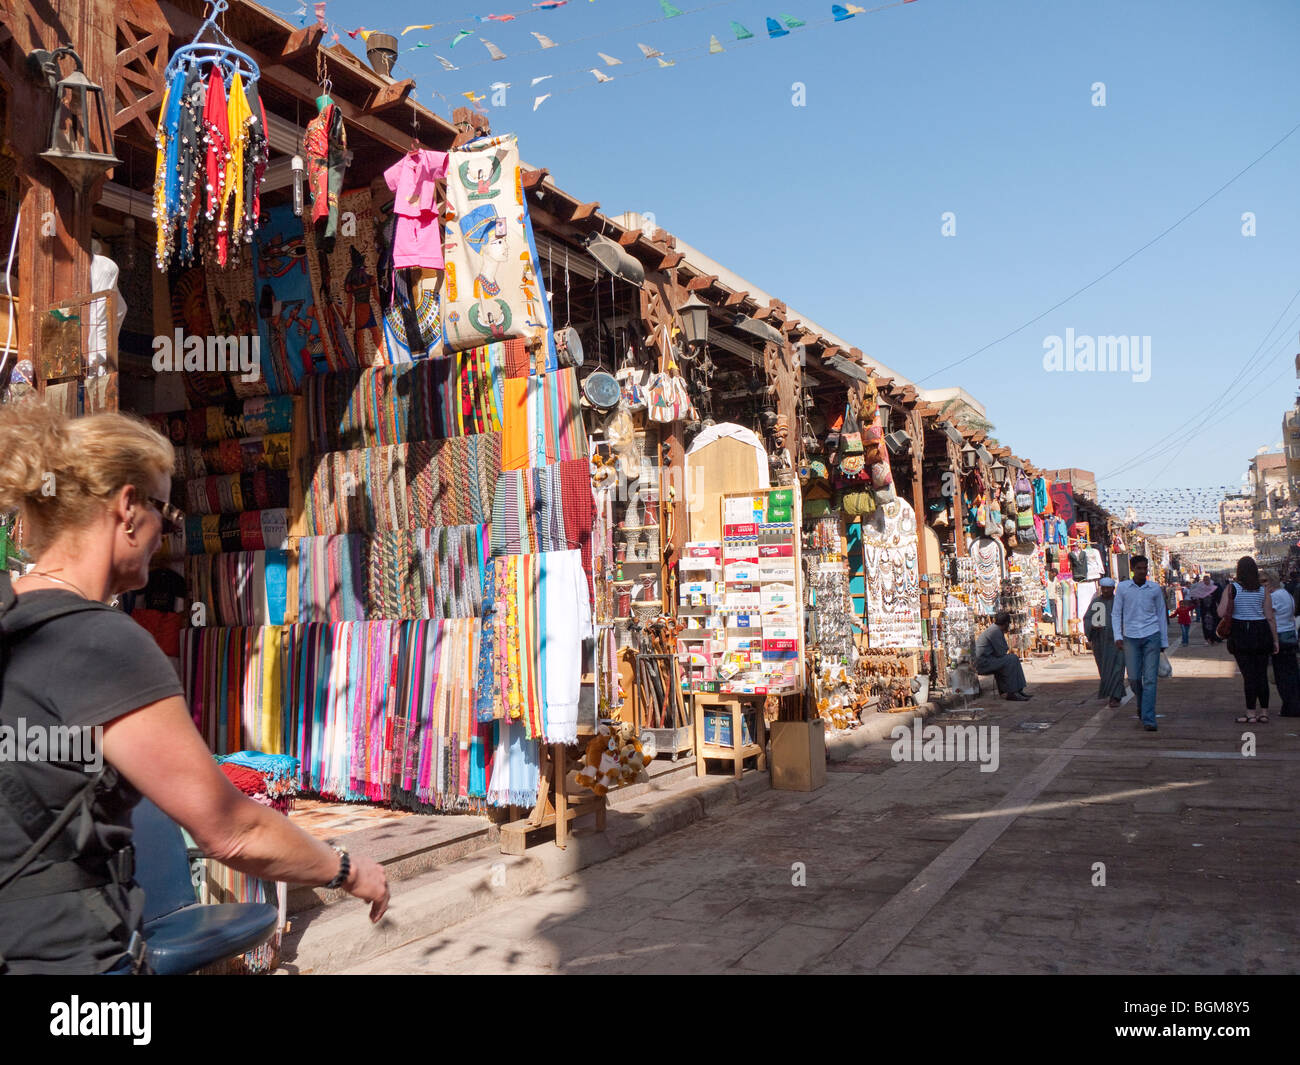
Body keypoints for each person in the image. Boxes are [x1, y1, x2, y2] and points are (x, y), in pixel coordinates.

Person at [0, 402, 389, 974]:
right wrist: (347, 868)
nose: (166, 533)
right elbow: (231, 829)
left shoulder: (14, 620)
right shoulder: (101, 644)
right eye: (167, 512)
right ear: (128, 509)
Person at [1218, 555, 1278, 725]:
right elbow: (1270, 617)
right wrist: (1275, 640)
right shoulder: (1262, 590)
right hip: (1261, 632)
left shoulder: (1232, 588)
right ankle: (1264, 713)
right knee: (1261, 675)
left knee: (1248, 676)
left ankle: (1251, 713)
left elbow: (1221, 613)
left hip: (1240, 633)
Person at [1113, 554, 1168, 732]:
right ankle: (1142, 703)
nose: (1143, 571)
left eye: (1145, 568)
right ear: (1132, 569)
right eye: (1139, 568)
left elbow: (1161, 614)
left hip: (1152, 635)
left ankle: (1149, 718)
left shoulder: (1154, 588)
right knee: (1134, 678)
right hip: (1130, 637)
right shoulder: (1122, 588)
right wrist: (1117, 636)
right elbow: (1116, 613)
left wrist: (1163, 641)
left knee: (1150, 679)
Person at [1085, 577, 1126, 707]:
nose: (1106, 591)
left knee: (1118, 668)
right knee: (1105, 668)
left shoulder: (1119, 602)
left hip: (1117, 641)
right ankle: (1110, 693)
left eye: (1109, 588)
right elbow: (1087, 619)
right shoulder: (1096, 602)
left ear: (1113, 589)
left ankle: (1116, 696)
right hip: (1100, 642)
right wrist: (1092, 626)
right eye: (1104, 588)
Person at [974, 610, 1033, 701]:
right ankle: (1012, 692)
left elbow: (1001, 651)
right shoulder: (995, 632)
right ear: (1006, 623)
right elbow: (1001, 652)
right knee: (1012, 659)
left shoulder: (995, 630)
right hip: (984, 663)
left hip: (988, 660)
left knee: (1013, 659)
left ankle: (1018, 690)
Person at [1266, 572, 1300, 717]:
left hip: (1280, 637)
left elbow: (1268, 616)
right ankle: (1292, 705)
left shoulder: (1274, 597)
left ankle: (1290, 707)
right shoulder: (1286, 594)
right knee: (1292, 674)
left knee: (1282, 676)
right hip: (1290, 635)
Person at [1202, 576, 1224, 645]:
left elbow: (1219, 597)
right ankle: (1208, 639)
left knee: (1215, 623)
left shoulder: (1215, 587)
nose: (1206, 582)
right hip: (1205, 610)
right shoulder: (1201, 588)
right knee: (1206, 624)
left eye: (1207, 580)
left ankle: (1215, 638)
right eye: (1204, 580)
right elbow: (1199, 599)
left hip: (1213, 609)